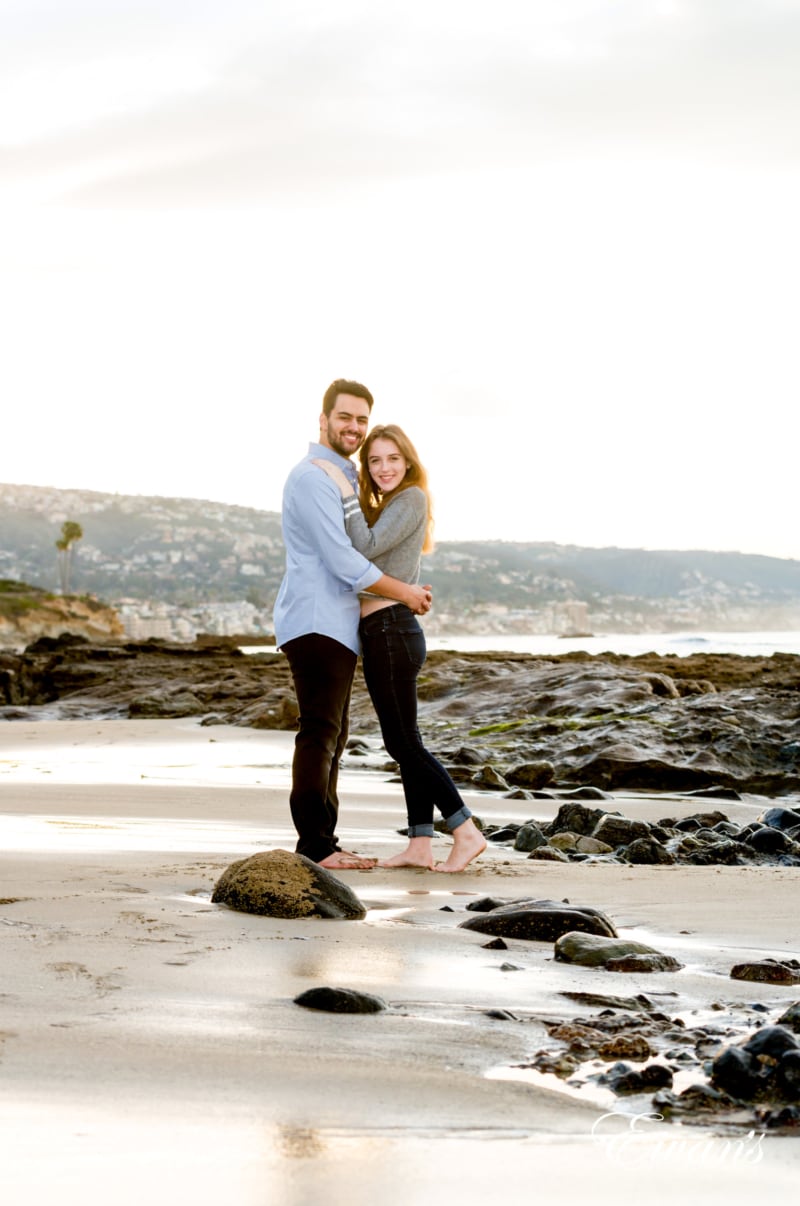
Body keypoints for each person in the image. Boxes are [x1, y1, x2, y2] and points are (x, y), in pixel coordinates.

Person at [274, 380, 434, 871]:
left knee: (334, 734)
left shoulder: (343, 477)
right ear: (323, 420)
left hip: (337, 624)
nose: (354, 427)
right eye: (345, 417)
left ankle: (325, 840)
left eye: (362, 419)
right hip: (317, 619)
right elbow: (343, 559)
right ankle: (315, 847)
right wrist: (405, 592)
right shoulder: (314, 478)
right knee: (320, 731)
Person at [314, 424, 487, 873]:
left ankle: (465, 830)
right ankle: (419, 844)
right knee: (407, 741)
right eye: (374, 460)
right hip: (386, 631)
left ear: (408, 461)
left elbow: (361, 546)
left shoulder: (411, 497)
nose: (383, 467)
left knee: (403, 743)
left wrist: (343, 490)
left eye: (392, 458)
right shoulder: (392, 505)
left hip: (391, 631)